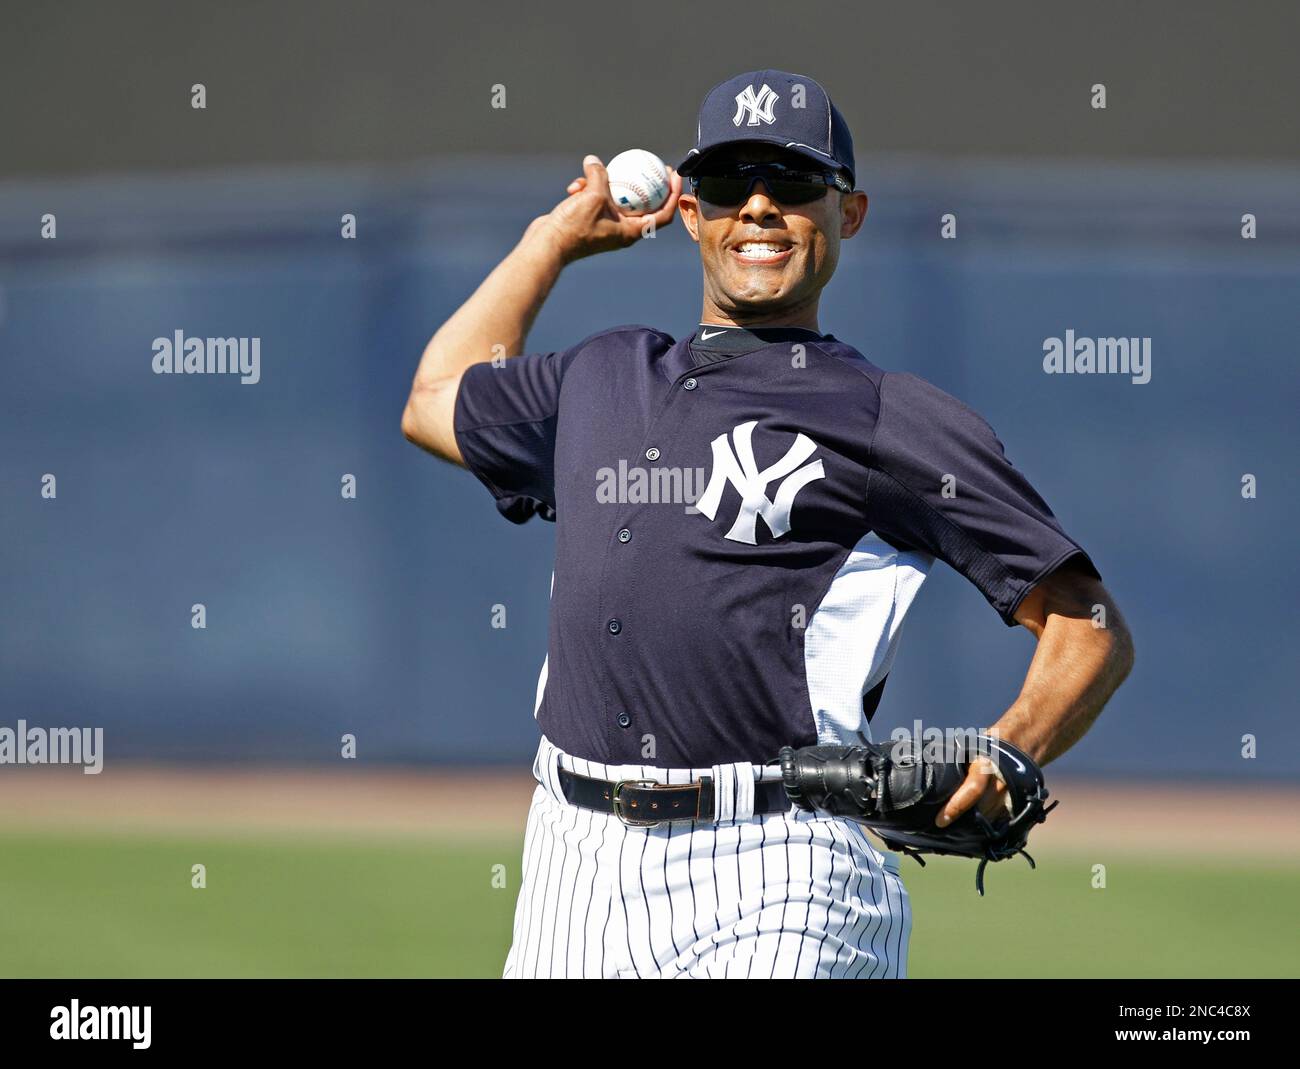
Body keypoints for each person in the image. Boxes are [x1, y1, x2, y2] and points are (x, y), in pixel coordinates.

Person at [401, 69, 1134, 978]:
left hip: (781, 866)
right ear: (690, 212)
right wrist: (550, 240)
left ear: (848, 214)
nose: (757, 207)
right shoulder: (597, 376)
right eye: (727, 183)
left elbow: (1088, 624)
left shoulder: (885, 415)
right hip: (572, 865)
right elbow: (434, 398)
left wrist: (1010, 746)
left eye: (791, 183)